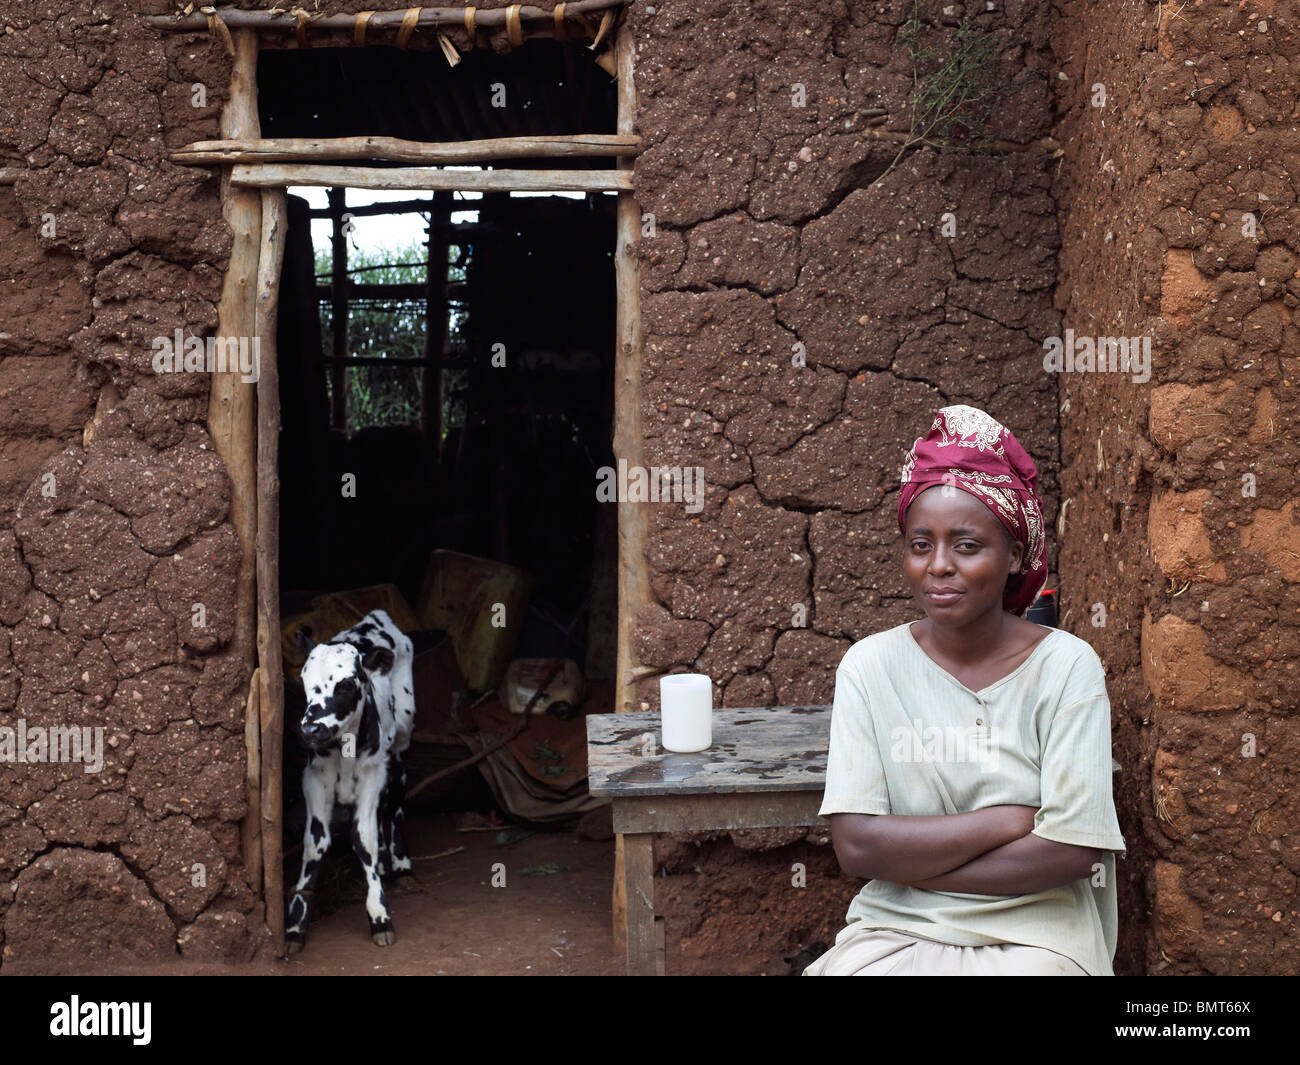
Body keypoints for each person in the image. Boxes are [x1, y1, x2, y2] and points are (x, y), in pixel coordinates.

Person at [803, 404, 1126, 976]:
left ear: (1015, 556)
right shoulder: (869, 668)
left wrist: (911, 862)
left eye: (967, 546)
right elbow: (855, 848)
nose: (939, 566)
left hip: (1039, 935)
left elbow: (1073, 853)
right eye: (920, 544)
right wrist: (1012, 819)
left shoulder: (1067, 668)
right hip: (895, 925)